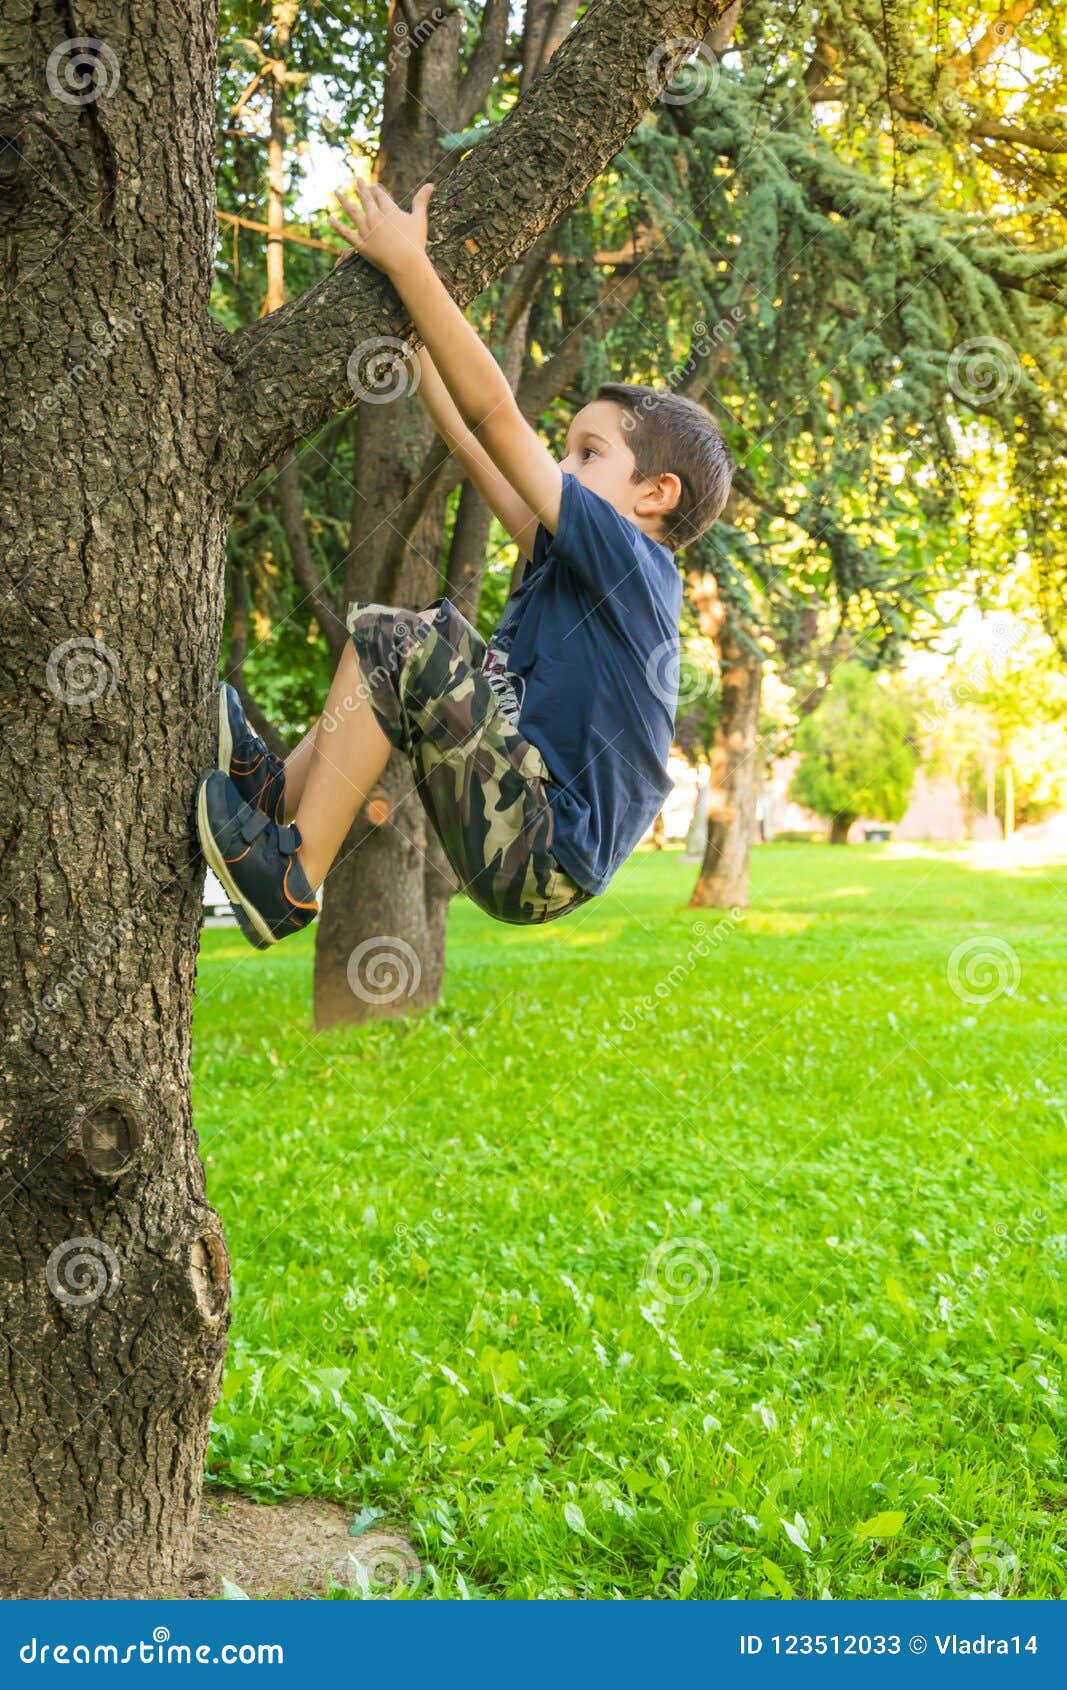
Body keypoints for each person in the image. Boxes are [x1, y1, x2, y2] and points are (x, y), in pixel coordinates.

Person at [196, 176, 734, 949]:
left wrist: (411, 267)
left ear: (655, 494)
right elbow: (479, 442)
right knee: (427, 634)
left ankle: (292, 880)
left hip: (543, 844)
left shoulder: (631, 563)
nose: (562, 466)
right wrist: (416, 343)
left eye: (587, 453)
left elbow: (497, 414)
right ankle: (274, 800)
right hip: (526, 823)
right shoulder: (580, 565)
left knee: (397, 641)